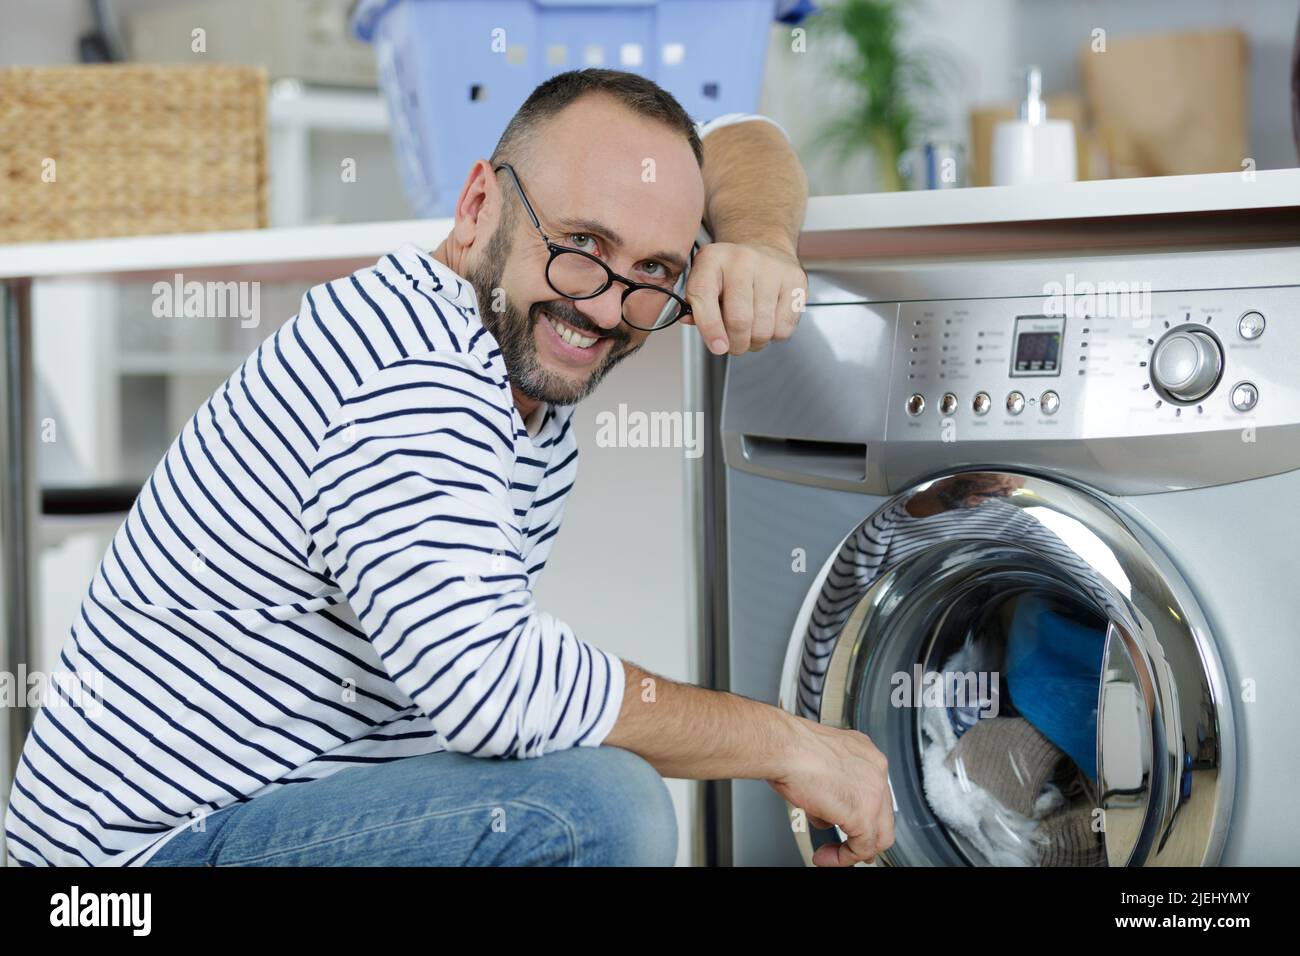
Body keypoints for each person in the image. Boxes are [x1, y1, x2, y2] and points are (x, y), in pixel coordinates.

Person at [4, 68, 892, 868]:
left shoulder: (497, 349)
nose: (607, 305)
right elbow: (492, 686)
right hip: (128, 881)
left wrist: (765, 244)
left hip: (241, 827)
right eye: (581, 242)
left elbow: (742, 134)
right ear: (478, 206)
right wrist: (795, 745)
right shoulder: (413, 373)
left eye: (651, 270)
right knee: (594, 809)